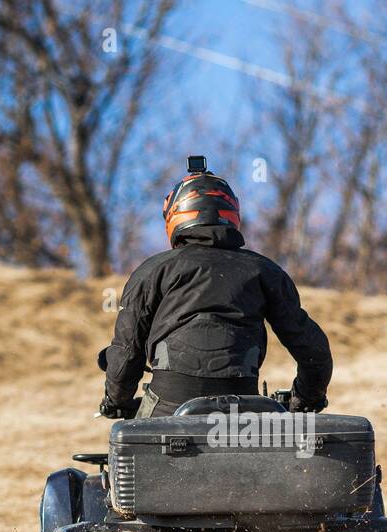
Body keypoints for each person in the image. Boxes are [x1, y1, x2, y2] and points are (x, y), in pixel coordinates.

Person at [97, 156, 333, 419]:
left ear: (175, 215)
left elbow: (126, 352)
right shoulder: (264, 270)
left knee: (129, 452)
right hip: (245, 410)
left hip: (167, 408)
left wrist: (115, 400)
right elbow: (314, 352)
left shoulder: (153, 270)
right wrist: (305, 399)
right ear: (232, 215)